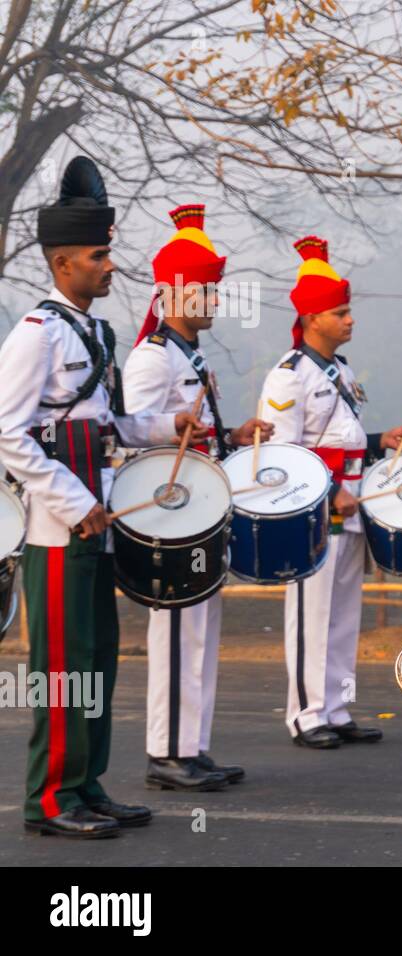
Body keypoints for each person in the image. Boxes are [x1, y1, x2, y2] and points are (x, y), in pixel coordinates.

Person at [0, 157, 202, 838]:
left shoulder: (98, 332)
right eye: (99, 254)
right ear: (62, 264)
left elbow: (108, 423)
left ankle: (87, 784)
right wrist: (68, 499)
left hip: (99, 523)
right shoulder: (36, 335)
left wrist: (167, 425)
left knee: (98, 660)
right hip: (60, 533)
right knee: (62, 669)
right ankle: (50, 800)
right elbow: (8, 430)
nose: (112, 265)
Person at [123, 203, 273, 790]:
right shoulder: (151, 357)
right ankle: (167, 751)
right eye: (205, 290)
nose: (213, 301)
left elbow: (191, 426)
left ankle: (191, 744)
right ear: (172, 293)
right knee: (178, 631)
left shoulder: (189, 355)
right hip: (171, 515)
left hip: (200, 510)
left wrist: (232, 432)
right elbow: (138, 435)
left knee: (200, 630)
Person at [259, 236, 402, 749]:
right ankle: (306, 715)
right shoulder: (289, 377)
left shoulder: (341, 371)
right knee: (311, 612)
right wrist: (328, 496)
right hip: (314, 514)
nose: (350, 321)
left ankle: (336, 705)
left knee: (344, 614)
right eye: (341, 313)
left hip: (351, 507)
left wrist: (381, 441)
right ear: (312, 319)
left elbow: (344, 441)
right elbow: (284, 458)